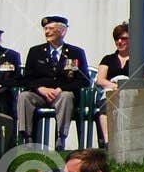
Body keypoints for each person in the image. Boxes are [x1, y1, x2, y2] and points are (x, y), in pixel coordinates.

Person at [16, 16, 90, 150]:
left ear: (62, 31)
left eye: (51, 28)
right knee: (24, 96)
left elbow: (84, 80)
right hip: (39, 95)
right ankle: (28, 138)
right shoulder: (35, 51)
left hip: (61, 96)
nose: (47, 32)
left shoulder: (75, 52)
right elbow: (26, 79)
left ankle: (60, 138)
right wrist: (40, 88)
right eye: (45, 29)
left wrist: (61, 89)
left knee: (67, 96)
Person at [92, 22, 134, 142]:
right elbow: (100, 80)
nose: (119, 41)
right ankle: (107, 142)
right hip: (110, 93)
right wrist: (116, 86)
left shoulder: (138, 59)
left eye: (124, 38)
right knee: (106, 104)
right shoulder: (108, 59)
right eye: (117, 38)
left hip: (130, 94)